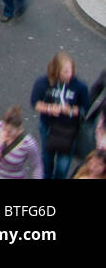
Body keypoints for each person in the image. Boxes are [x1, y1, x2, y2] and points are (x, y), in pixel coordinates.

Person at [31, 52, 90, 180]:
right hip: (48, 127)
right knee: (47, 160)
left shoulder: (79, 86)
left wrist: (70, 111)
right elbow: (35, 103)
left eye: (71, 70)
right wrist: (49, 108)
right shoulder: (43, 82)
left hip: (68, 131)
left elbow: (85, 108)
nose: (70, 74)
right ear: (56, 71)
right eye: (66, 71)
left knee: (62, 167)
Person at [0, 107, 42, 179]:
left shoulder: (28, 143)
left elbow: (38, 166)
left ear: (19, 128)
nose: (5, 133)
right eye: (4, 128)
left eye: (10, 131)